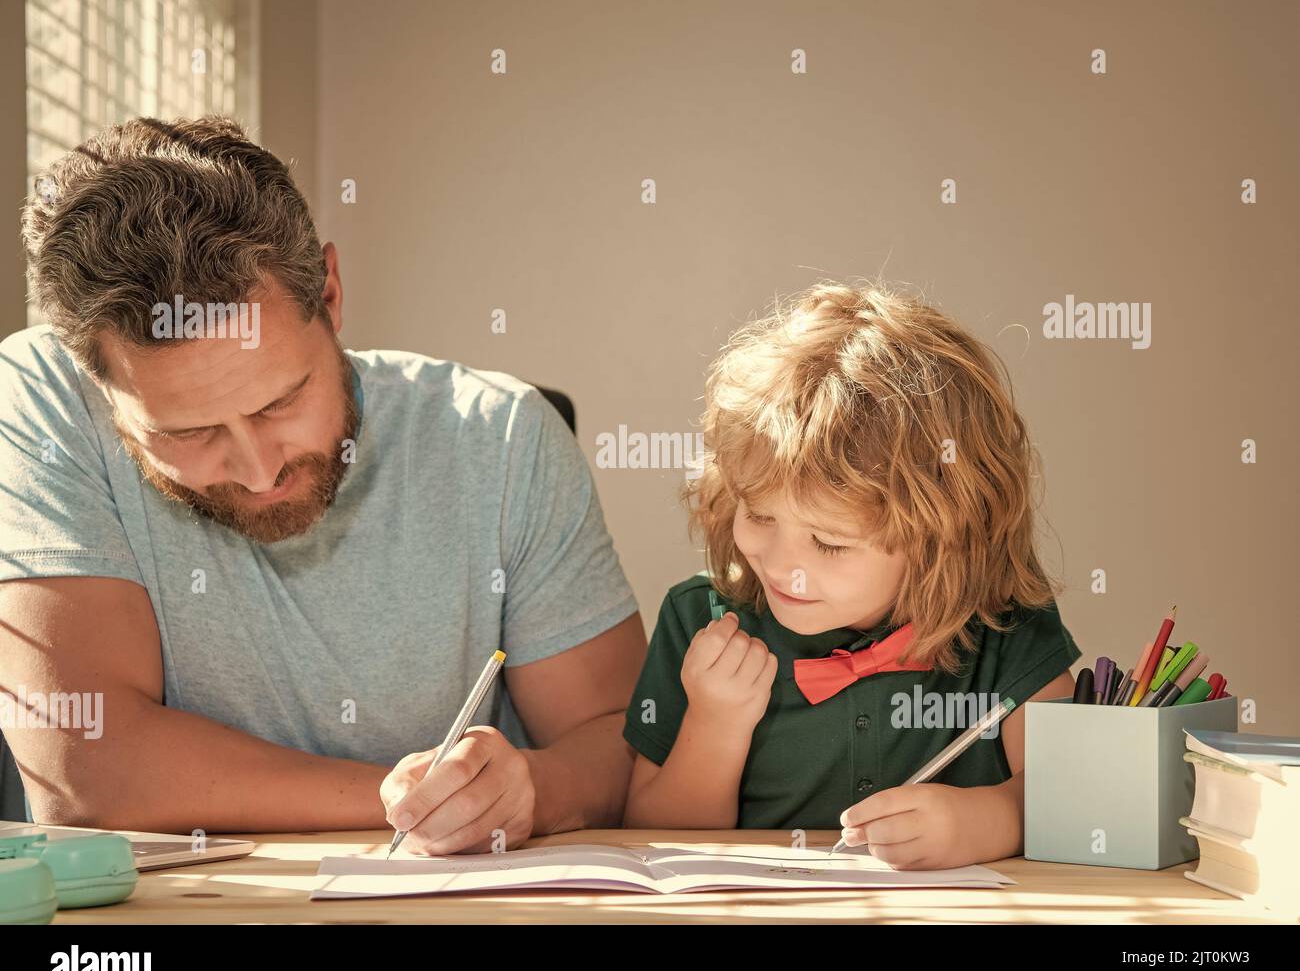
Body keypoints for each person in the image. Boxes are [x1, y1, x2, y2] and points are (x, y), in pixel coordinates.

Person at [0, 115, 645, 854]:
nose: (258, 468)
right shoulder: (43, 394)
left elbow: (624, 744)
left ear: (331, 294)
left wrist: (532, 787)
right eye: (188, 434)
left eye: (280, 402)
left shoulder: (504, 435)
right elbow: (85, 773)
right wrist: (404, 806)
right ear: (99, 387)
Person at [622, 280, 1080, 869]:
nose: (786, 567)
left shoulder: (1006, 623)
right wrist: (715, 723)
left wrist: (992, 820)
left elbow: (1071, 792)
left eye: (830, 545)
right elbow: (652, 838)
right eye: (759, 515)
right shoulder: (698, 620)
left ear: (940, 541)